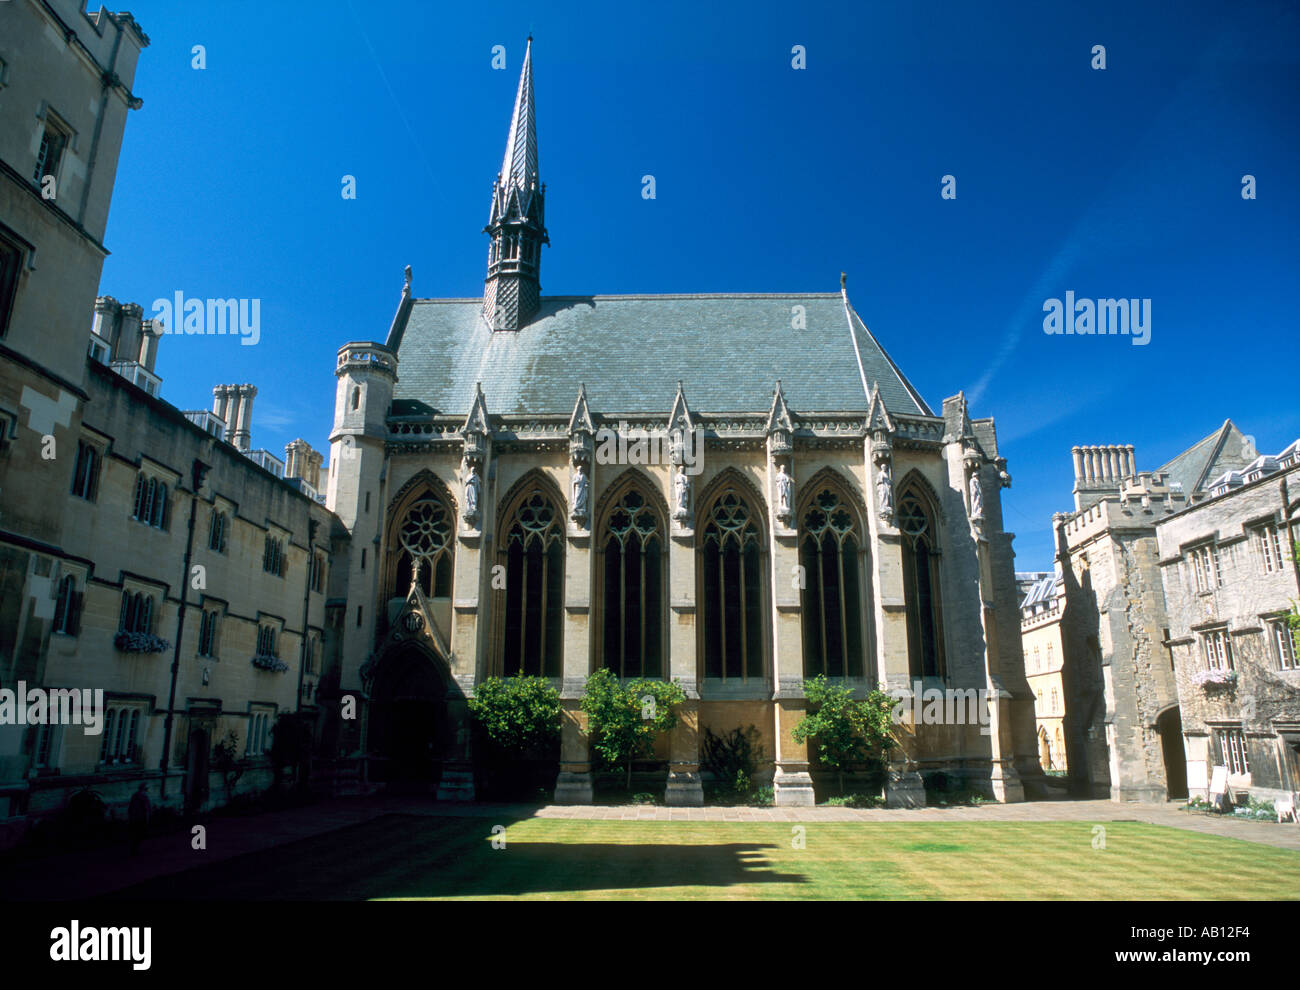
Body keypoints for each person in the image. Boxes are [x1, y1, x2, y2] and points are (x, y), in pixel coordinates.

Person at [127, 781, 151, 856]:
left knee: (135, 833)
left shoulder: (135, 795)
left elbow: (130, 807)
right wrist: (147, 820)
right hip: (141, 818)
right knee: (140, 834)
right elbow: (147, 809)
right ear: (145, 789)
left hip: (134, 817)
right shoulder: (144, 796)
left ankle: (134, 848)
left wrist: (130, 816)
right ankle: (135, 849)